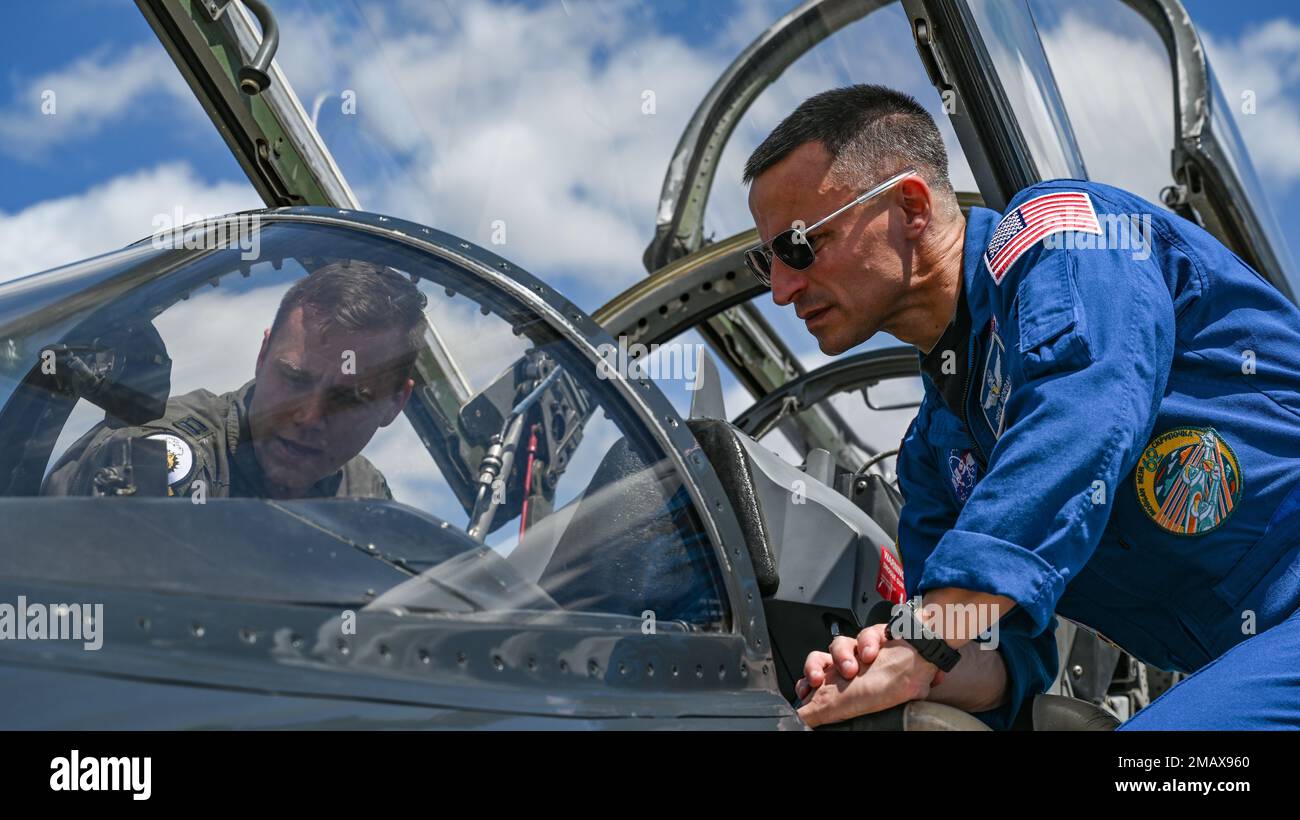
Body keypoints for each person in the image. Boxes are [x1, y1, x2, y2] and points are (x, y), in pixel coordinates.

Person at [743, 84, 1300, 729]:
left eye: (798, 246)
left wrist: (929, 632)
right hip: (1246, 661)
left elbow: (1083, 413)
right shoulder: (935, 455)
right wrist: (898, 666)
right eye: (767, 262)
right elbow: (996, 655)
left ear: (910, 207)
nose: (782, 290)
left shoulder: (1061, 233)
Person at [44, 260, 427, 501]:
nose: (308, 418)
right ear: (262, 357)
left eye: (348, 399)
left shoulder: (363, 493)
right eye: (295, 379)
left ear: (395, 403)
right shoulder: (161, 460)